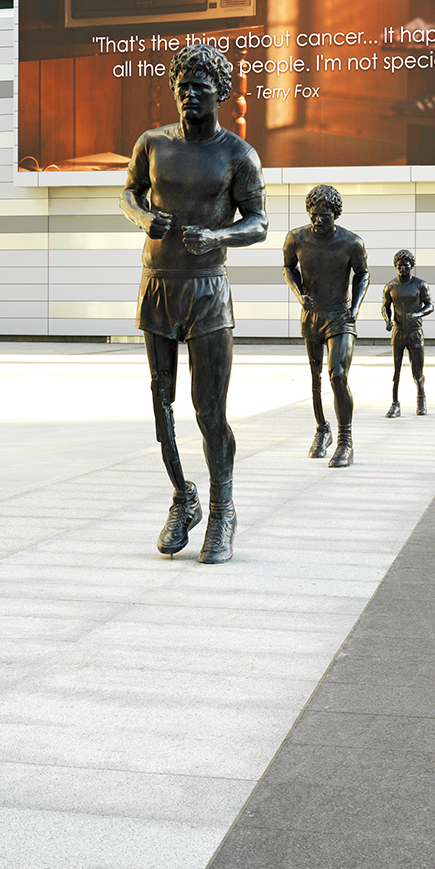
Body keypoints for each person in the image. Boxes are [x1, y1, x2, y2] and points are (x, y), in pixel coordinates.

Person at [119, 43, 266, 563]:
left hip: (206, 289)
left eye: (200, 88)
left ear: (219, 94)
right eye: (182, 87)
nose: (189, 96)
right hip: (157, 281)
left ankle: (223, 507)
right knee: (162, 406)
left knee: (209, 409)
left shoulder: (237, 154)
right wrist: (142, 219)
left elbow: (259, 222)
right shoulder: (152, 143)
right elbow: (130, 193)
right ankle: (184, 495)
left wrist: (218, 235)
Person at [283, 185, 369, 467]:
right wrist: (299, 296)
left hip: (340, 315)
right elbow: (288, 268)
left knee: (337, 375)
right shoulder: (296, 238)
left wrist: (355, 308)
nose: (318, 221)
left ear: (336, 215)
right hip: (312, 316)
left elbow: (362, 275)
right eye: (313, 215)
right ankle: (322, 429)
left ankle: (346, 441)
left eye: (324, 216)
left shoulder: (351, 243)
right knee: (316, 378)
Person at [382, 248, 434, 416]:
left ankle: (421, 398)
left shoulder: (420, 284)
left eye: (405, 265)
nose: (402, 269)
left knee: (417, 371)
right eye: (399, 266)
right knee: (396, 370)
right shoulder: (390, 286)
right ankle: (395, 404)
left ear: (411, 265)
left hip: (415, 332)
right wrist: (387, 320)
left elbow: (430, 305)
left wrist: (418, 314)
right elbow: (385, 306)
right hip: (398, 333)